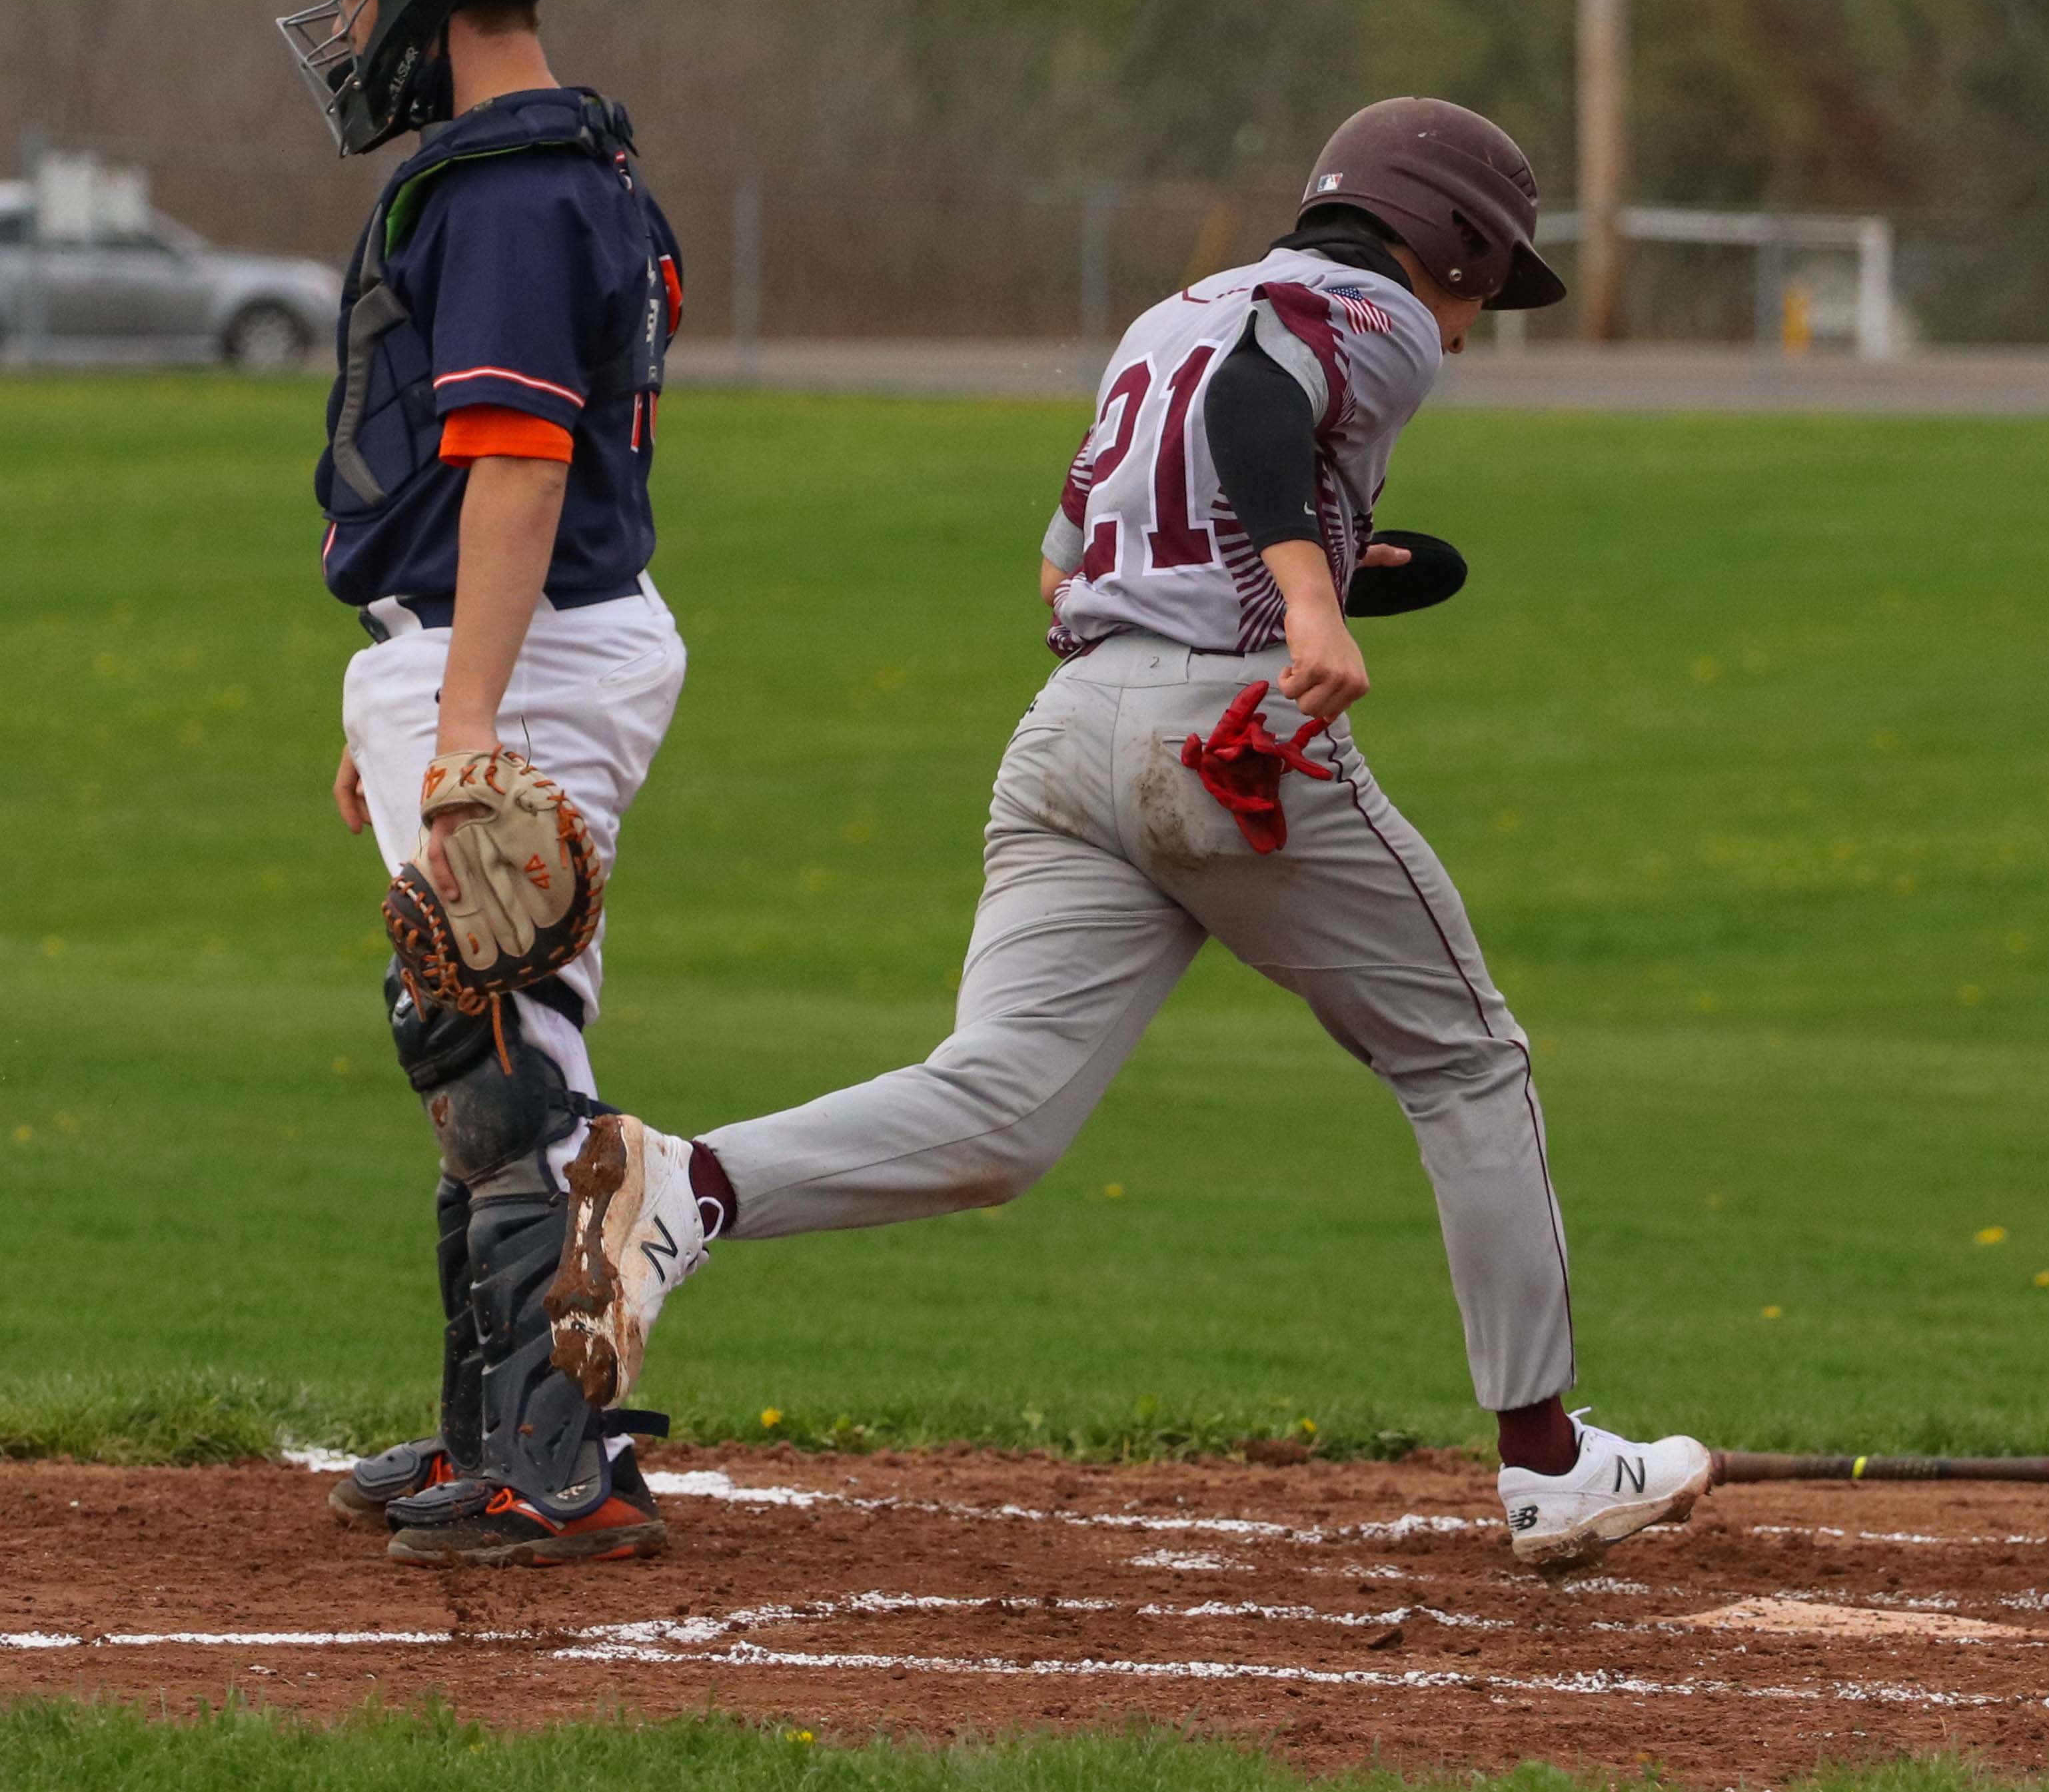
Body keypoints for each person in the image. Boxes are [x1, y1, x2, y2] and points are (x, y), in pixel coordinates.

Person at [545, 99, 1712, 1570]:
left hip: (1070, 731)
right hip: (1220, 736)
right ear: (1451, 242)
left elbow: (1070, 563)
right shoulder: (1377, 314)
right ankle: (1549, 1464)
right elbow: (1258, 411)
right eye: (1484, 287)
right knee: (1468, 1061)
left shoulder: (1172, 315)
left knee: (997, 1112)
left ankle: (686, 1187)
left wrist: (1328, 560)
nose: (1471, 330)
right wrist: (1306, 596)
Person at [277, 0, 687, 1567]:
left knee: (504, 1040)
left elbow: (518, 464)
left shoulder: (514, 190)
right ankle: (498, 1423)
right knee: (468, 1021)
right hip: (490, 639)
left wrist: (461, 721)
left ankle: (555, 1462)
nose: (345, 20)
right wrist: (402, 689)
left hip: (519, 646)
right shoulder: (549, 169)